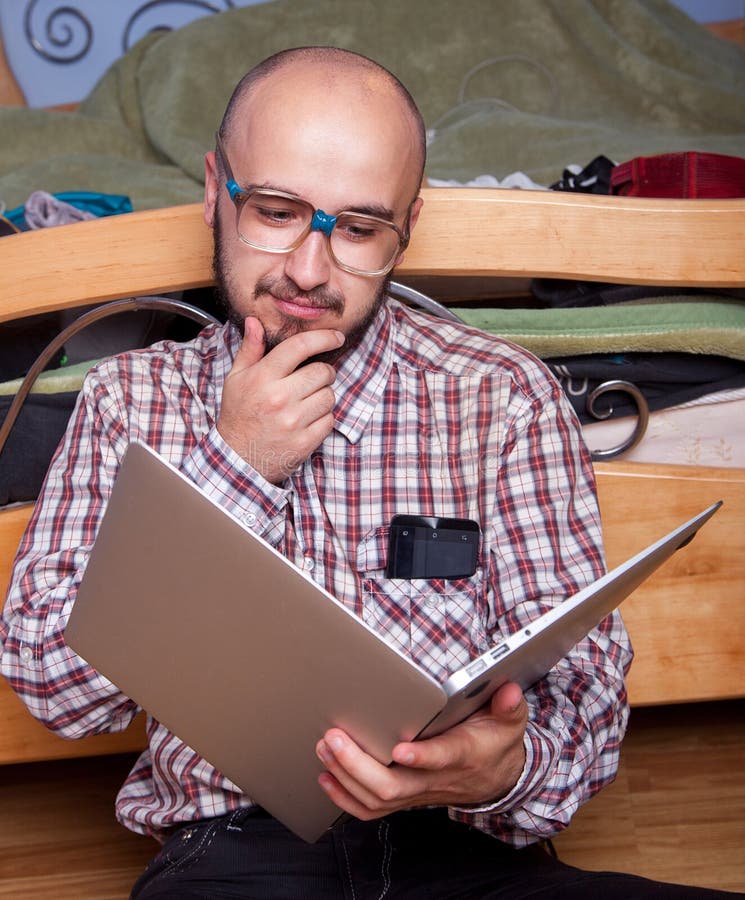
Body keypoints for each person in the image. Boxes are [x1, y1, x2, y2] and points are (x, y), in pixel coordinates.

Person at [1, 46, 740, 900]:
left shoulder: (499, 398)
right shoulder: (131, 400)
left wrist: (501, 769)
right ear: (214, 190)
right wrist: (234, 471)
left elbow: (586, 705)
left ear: (407, 228)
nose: (309, 272)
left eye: (357, 230)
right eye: (275, 211)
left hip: (468, 853)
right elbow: (51, 688)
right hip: (239, 855)